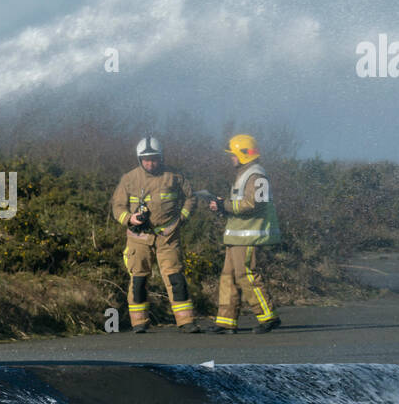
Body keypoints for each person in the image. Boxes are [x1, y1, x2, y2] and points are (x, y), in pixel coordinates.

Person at [110, 136, 201, 334]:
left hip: (168, 236)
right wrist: (130, 218)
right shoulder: (129, 179)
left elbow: (191, 198)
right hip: (138, 237)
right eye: (146, 159)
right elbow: (117, 206)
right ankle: (139, 323)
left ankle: (186, 321)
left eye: (154, 159)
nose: (150, 163)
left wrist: (181, 220)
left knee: (175, 277)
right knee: (139, 278)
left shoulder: (174, 177)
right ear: (139, 159)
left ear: (161, 158)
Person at [207, 134, 281, 334]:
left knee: (246, 275)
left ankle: (268, 317)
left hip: (248, 237)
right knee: (228, 277)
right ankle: (226, 322)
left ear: (242, 154)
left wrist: (225, 204)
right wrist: (223, 207)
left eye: (233, 154)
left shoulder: (256, 175)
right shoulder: (247, 173)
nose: (231, 158)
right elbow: (243, 204)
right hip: (238, 236)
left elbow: (254, 204)